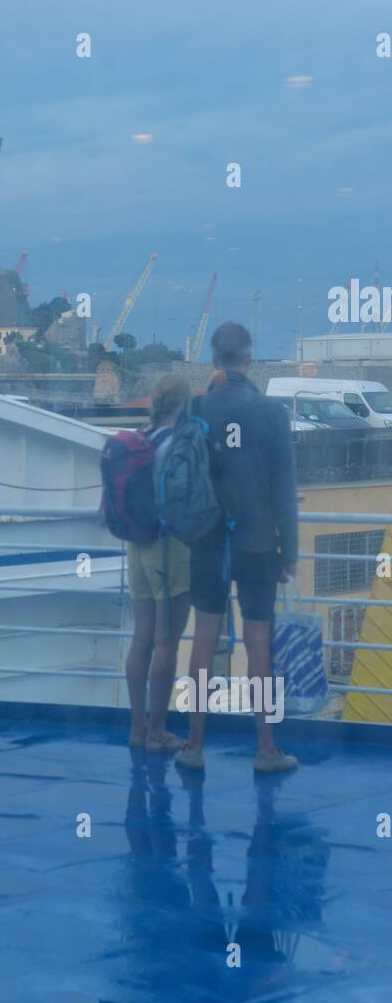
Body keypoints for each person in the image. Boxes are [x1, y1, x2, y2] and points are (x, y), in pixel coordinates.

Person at [176, 322, 298, 773]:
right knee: (259, 641)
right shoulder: (271, 413)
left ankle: (193, 745)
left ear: (214, 360)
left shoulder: (196, 408)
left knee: (203, 639)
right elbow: (284, 488)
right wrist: (290, 552)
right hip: (258, 542)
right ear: (250, 358)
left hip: (207, 541)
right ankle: (266, 748)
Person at [125, 374, 192, 752]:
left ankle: (137, 728)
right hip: (169, 548)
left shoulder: (141, 436)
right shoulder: (177, 444)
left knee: (142, 639)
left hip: (136, 546)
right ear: (182, 406)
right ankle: (159, 731)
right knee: (167, 641)